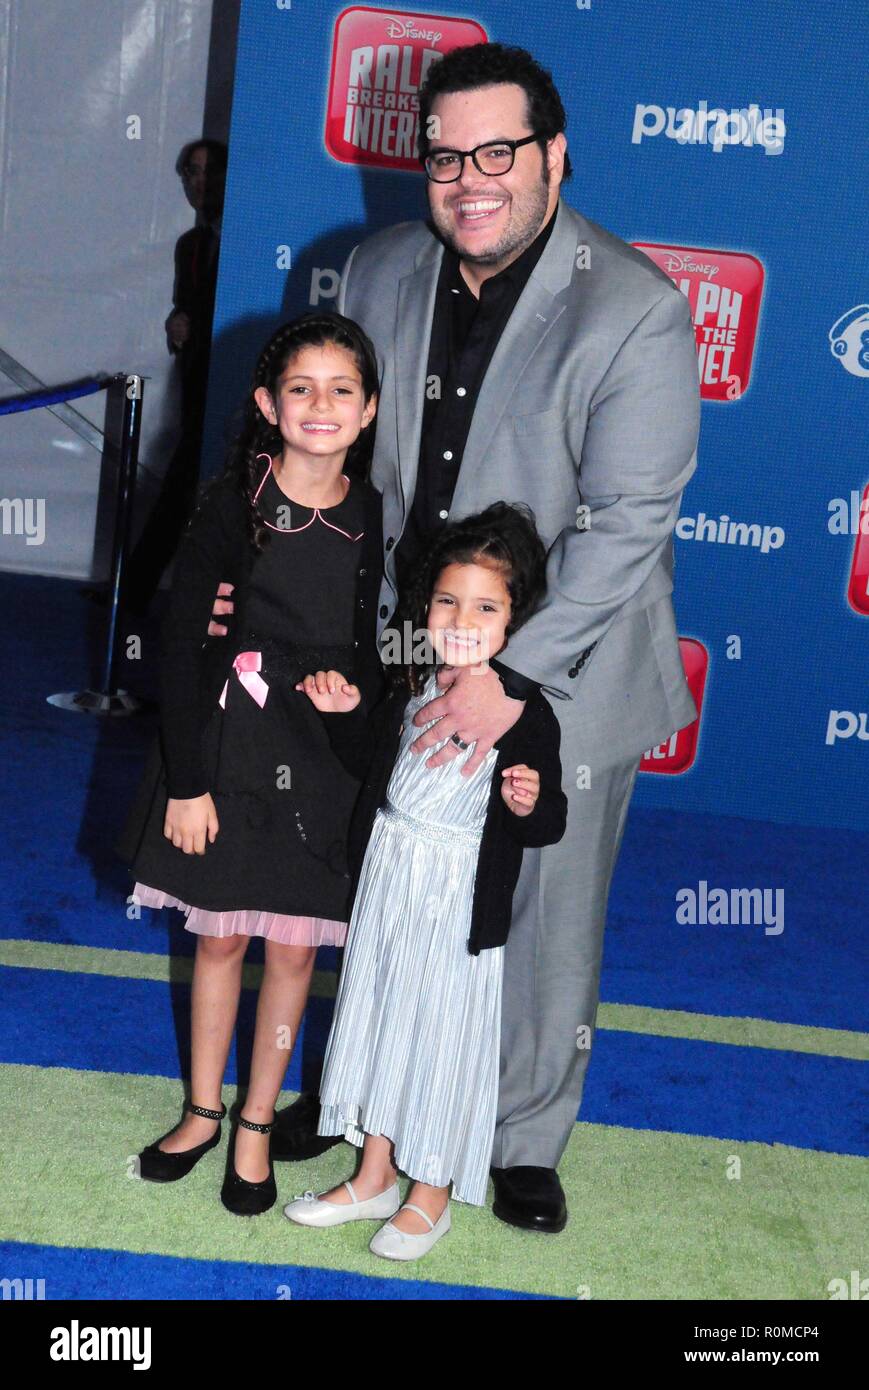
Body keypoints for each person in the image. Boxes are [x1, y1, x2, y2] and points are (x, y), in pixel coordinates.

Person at [266, 42, 702, 1234]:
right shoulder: (378, 268)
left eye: (497, 152)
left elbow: (626, 530)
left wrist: (506, 679)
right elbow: (348, 470)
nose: (469, 179)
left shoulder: (636, 310)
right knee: (396, 889)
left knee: (541, 913)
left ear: (553, 157)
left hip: (564, 672)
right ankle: (371, 1105)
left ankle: (519, 1137)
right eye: (445, 155)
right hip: (410, 657)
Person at [118, 311, 383, 1215]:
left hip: (317, 765)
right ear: (269, 403)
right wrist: (187, 784)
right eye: (301, 388)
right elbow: (185, 645)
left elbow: (374, 646)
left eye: (341, 389)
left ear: (371, 407)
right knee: (220, 935)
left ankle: (258, 1125)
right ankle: (201, 1110)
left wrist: (356, 714)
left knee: (296, 950)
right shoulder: (232, 501)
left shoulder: (373, 514)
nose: (321, 405)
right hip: (227, 748)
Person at [283, 503, 567, 1260]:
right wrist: (343, 715)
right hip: (388, 880)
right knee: (379, 1019)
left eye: (485, 606)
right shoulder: (411, 674)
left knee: (439, 1037)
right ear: (424, 605)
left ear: (516, 619)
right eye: (447, 600)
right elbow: (372, 765)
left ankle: (430, 1192)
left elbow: (547, 822)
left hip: (458, 894)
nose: (461, 618)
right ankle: (372, 1172)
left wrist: (530, 801)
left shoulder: (521, 710)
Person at [125, 139, 228, 616]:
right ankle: (137, 595)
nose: (199, 182)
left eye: (209, 171)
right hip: (194, 388)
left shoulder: (248, 238)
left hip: (235, 387)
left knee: (185, 491)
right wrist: (178, 323)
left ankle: (137, 595)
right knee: (179, 489)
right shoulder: (190, 245)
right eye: (191, 172)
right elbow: (186, 310)